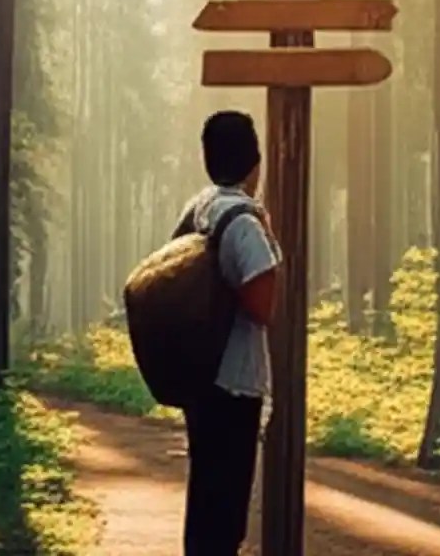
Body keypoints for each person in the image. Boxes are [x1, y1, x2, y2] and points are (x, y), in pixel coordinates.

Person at [173, 110, 279, 555]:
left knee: (204, 504)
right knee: (226, 515)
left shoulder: (198, 210)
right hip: (235, 383)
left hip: (200, 378)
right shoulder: (244, 225)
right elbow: (263, 307)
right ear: (255, 163)